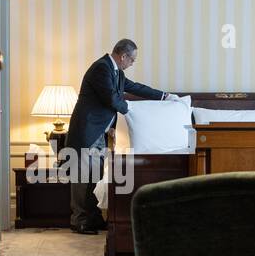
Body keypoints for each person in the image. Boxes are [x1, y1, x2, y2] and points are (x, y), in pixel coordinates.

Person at [63, 39, 182, 234]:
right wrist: (132, 110)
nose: (132, 63)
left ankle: (93, 219)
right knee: (83, 177)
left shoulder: (117, 72)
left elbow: (135, 87)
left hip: (98, 131)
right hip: (86, 130)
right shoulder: (101, 68)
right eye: (132, 59)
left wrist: (165, 96)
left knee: (95, 175)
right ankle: (79, 221)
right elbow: (110, 98)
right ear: (123, 56)